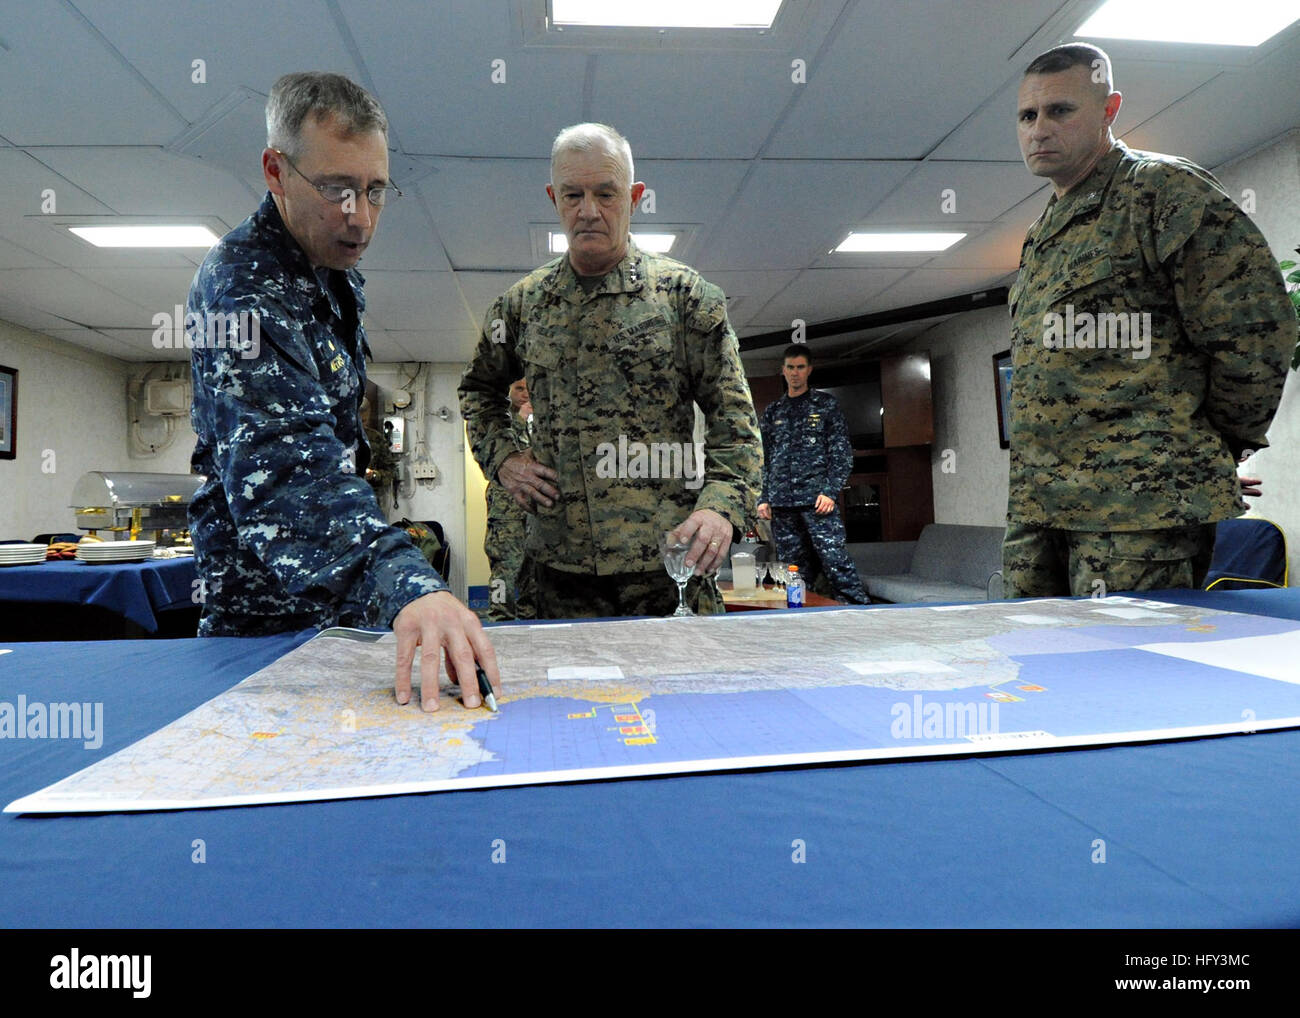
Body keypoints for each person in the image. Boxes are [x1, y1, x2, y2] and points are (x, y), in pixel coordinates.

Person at [188, 71, 499, 711]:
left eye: (375, 191)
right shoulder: (242, 292)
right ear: (275, 171)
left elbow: (335, 447)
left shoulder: (333, 275)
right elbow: (290, 477)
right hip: (261, 624)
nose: (360, 218)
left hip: (325, 616)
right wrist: (408, 583)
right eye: (336, 189)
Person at [1003, 43, 1295, 598]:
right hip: (1039, 506)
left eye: (1059, 110)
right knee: (1034, 665)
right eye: (1027, 115)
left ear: (1109, 110)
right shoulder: (1045, 228)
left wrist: (1210, 448)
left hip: (1138, 512)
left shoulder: (1163, 193)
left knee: (1124, 675)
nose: (1039, 128)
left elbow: (1255, 333)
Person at [458, 122, 762, 618]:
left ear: (636, 196)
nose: (589, 211)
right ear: (554, 197)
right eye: (573, 195)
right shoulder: (521, 307)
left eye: (606, 193)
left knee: (686, 695)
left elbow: (736, 425)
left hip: (668, 571)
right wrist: (504, 460)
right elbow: (477, 390)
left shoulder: (685, 299)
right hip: (558, 575)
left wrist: (720, 506)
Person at [756, 345, 869, 604]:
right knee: (793, 571)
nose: (795, 373)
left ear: (809, 370)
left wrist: (830, 491)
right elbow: (764, 459)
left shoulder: (826, 405)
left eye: (800, 367)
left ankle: (860, 612)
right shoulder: (773, 412)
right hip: (782, 505)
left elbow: (841, 454)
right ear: (782, 371)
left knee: (836, 562)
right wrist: (763, 497)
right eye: (790, 368)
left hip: (818, 503)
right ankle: (800, 616)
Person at [484, 378, 535, 621]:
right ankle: (498, 622)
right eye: (519, 388)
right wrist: (521, 419)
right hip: (506, 515)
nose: (525, 394)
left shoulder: (533, 425)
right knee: (504, 571)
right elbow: (499, 457)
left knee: (532, 573)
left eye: (528, 388)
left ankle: (530, 623)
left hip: (531, 513)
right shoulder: (498, 422)